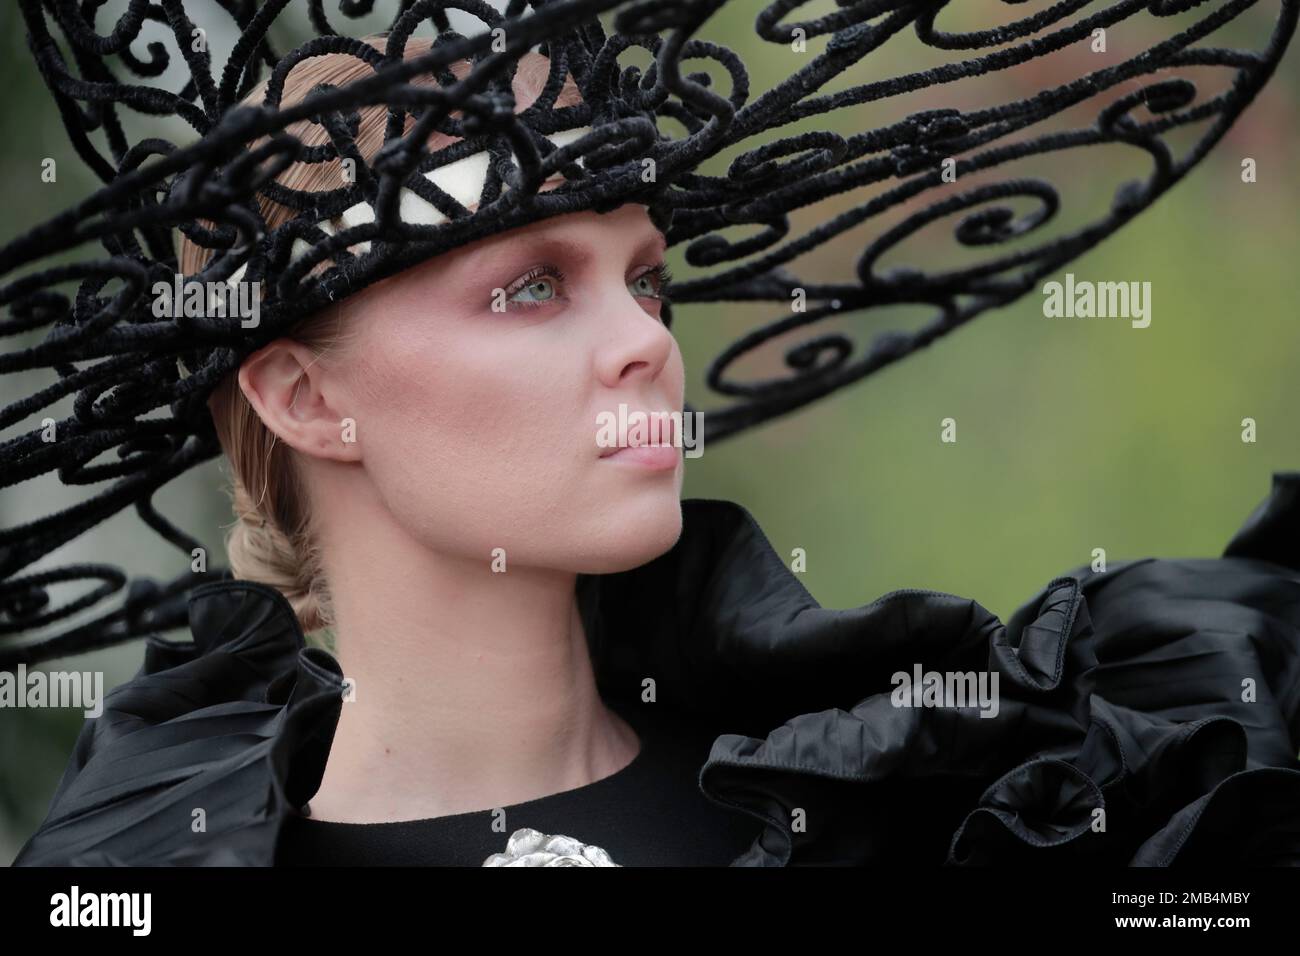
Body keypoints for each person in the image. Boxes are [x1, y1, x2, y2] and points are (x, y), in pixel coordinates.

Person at [6, 3, 1300, 867]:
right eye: (529, 288)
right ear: (304, 398)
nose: (645, 341)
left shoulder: (943, 791)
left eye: (646, 280)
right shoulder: (143, 870)